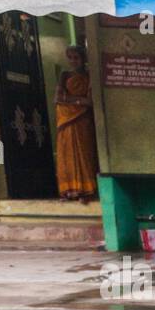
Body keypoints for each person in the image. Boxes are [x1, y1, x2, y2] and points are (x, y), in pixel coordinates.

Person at [54, 45, 98, 202]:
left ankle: (86, 190)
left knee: (84, 153)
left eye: (76, 58)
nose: (73, 61)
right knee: (67, 154)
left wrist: (70, 100)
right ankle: (70, 190)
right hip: (66, 121)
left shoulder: (90, 76)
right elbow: (57, 98)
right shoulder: (65, 75)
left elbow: (91, 101)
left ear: (83, 58)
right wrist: (80, 101)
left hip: (83, 121)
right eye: (70, 58)